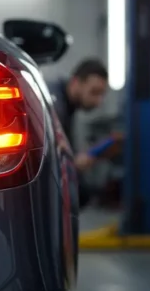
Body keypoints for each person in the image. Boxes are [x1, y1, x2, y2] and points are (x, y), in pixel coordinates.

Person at [46, 59, 109, 207]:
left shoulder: (67, 104)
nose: (98, 101)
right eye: (94, 92)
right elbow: (51, 160)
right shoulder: (56, 106)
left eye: (102, 94)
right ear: (75, 82)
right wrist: (74, 163)